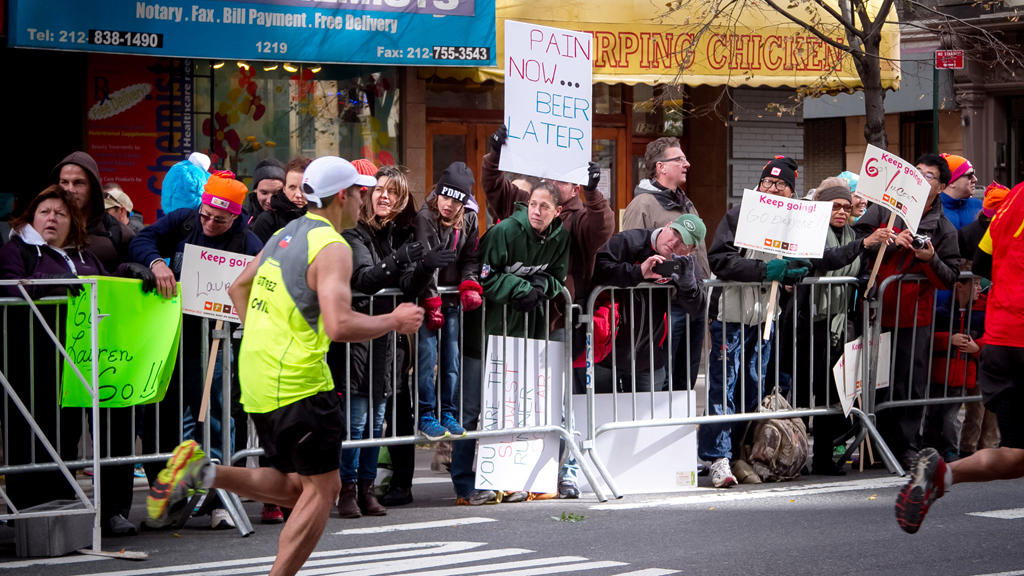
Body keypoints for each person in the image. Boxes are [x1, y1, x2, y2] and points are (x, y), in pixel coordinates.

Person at [147, 156, 423, 575]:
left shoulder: (284, 233)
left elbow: (239, 285)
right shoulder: (333, 246)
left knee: (299, 488)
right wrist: (394, 320)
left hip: (258, 375)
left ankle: (203, 471)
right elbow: (339, 323)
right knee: (322, 491)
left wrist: (263, 332)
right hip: (300, 381)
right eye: (360, 192)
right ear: (344, 196)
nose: (363, 199)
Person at [0, 185, 154, 536]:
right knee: (43, 438)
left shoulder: (84, 255)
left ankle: (106, 511)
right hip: (36, 365)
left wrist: (129, 273)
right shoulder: (17, 251)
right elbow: (11, 288)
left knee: (90, 436)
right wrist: (50, 282)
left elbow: (105, 287)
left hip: (87, 364)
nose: (52, 218)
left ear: (73, 223)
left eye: (61, 213)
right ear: (31, 218)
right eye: (45, 212)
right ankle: (37, 517)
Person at [483, 126, 614, 497]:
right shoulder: (528, 204)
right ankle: (517, 474)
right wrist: (496, 154)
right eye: (553, 173)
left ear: (572, 190)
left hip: (555, 319)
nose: (556, 183)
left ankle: (567, 470)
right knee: (515, 397)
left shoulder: (579, 217)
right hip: (513, 318)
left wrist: (593, 192)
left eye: (567, 177)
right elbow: (494, 186)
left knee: (557, 402)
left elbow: (603, 226)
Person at [131, 173, 263, 529]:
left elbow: (263, 280)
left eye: (219, 220)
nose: (209, 223)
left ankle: (220, 500)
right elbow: (142, 239)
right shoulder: (183, 220)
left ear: (235, 217)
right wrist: (156, 263)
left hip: (215, 344)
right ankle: (170, 499)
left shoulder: (247, 241)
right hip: (168, 338)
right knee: (161, 419)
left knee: (217, 420)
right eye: (206, 215)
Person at [894, 180, 1024, 535]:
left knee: (1016, 453)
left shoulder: (1013, 200)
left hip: (1001, 340)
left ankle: (944, 473)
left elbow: (981, 259)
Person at [450, 181, 570, 506]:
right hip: (485, 336)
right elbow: (483, 275)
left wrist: (542, 284)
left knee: (512, 412)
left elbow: (559, 276)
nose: (536, 210)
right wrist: (519, 288)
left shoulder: (560, 238)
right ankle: (463, 483)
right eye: (533, 203)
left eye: (545, 206)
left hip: (523, 338)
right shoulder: (505, 232)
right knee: (471, 409)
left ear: (558, 211)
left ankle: (507, 479)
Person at [701, 155, 811, 488]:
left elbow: (805, 260)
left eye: (781, 185)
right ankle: (716, 457)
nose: (773, 189)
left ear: (791, 192)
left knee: (755, 385)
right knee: (724, 386)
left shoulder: (795, 223)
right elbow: (720, 259)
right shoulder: (739, 215)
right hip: (731, 315)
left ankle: (741, 452)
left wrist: (796, 271)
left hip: (765, 318)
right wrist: (764, 271)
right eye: (768, 183)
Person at [853, 153, 960, 469]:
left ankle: (908, 447)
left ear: (940, 187)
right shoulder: (884, 208)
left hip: (915, 316)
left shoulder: (943, 227)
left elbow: (950, 276)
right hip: (875, 309)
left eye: (928, 176)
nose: (920, 178)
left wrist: (930, 260)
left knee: (909, 382)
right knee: (874, 381)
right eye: (916, 172)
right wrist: (882, 239)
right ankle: (874, 444)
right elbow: (857, 244)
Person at [334, 161, 428, 518]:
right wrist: (398, 260)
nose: (384, 197)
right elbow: (365, 279)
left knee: (377, 423)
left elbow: (407, 286)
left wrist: (424, 265)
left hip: (388, 342)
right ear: (368, 196)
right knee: (356, 422)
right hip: (359, 337)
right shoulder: (354, 236)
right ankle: (347, 490)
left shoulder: (400, 236)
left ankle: (367, 488)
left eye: (393, 192)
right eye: (380, 190)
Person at [787, 180, 892, 475]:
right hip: (810, 322)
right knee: (802, 391)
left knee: (831, 393)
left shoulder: (849, 234)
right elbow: (828, 259)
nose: (842, 212)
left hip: (838, 323)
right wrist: (864, 243)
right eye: (835, 206)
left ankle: (823, 457)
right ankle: (793, 457)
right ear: (822, 207)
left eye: (846, 207)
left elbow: (856, 267)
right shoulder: (811, 231)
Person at [622, 137, 710, 390]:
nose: (687, 163)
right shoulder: (643, 204)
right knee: (663, 384)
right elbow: (634, 255)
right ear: (660, 167)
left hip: (693, 304)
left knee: (684, 383)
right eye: (679, 159)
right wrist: (674, 274)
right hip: (666, 308)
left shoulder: (685, 202)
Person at [407, 162, 482, 441]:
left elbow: (471, 257)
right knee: (427, 359)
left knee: (451, 360)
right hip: (429, 300)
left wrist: (469, 284)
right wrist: (431, 300)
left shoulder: (470, 218)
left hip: (451, 302)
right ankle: (426, 413)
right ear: (437, 193)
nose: (448, 204)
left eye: (456, 199)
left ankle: (447, 411)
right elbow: (426, 262)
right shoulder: (426, 216)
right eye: (445, 196)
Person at [591, 214, 707, 393]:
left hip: (648, 359)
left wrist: (688, 286)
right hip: (605, 353)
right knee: (600, 416)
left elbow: (697, 308)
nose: (674, 242)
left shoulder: (684, 264)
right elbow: (596, 269)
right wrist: (637, 272)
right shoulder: (630, 241)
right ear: (667, 225)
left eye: (683, 242)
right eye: (674, 232)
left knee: (646, 419)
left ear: (690, 251)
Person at [52, 151, 135, 272]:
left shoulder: (119, 233)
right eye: (64, 182)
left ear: (93, 187)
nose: (70, 189)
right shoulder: (42, 227)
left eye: (78, 183)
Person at [242, 158, 286, 222]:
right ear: (255, 190)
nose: (269, 201)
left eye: (276, 194)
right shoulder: (241, 221)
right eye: (264, 193)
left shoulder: (295, 220)